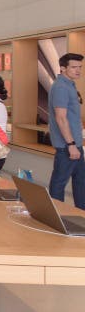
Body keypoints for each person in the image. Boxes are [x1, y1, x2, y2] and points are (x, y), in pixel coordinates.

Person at [48, 53, 85, 209]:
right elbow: (61, 118)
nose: (78, 71)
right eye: (74, 67)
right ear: (63, 68)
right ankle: (54, 216)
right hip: (67, 147)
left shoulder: (69, 84)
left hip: (75, 144)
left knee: (81, 183)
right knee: (59, 183)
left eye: (80, 67)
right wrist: (70, 144)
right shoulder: (61, 87)